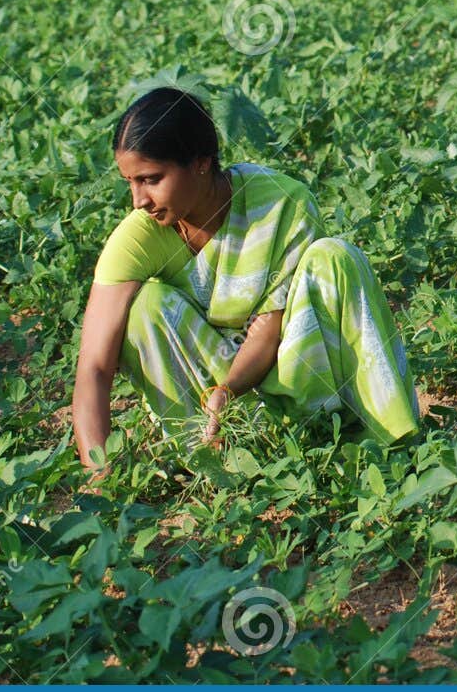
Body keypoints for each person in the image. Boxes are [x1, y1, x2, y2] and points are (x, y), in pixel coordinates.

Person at [72, 87, 421, 477]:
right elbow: (94, 369)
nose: (139, 199)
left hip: (295, 380)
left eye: (151, 179)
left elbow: (268, 333)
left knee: (337, 258)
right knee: (142, 308)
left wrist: (228, 391)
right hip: (220, 410)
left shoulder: (277, 203)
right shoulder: (140, 235)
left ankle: (384, 442)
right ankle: (211, 459)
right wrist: (98, 476)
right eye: (130, 182)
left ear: (201, 162)